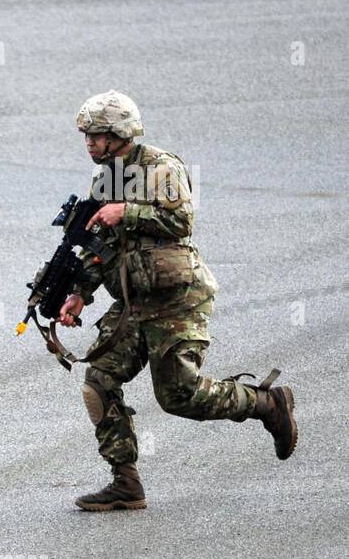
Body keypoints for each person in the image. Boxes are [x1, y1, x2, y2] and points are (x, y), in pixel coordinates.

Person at [58, 91, 297, 511]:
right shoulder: (106, 178)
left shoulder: (160, 167)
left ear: (119, 133)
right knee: (99, 382)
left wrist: (125, 212)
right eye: (87, 136)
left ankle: (267, 404)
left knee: (179, 397)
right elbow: (102, 245)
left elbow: (181, 220)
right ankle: (125, 483)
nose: (89, 143)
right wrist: (80, 293)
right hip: (134, 301)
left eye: (96, 135)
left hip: (176, 298)